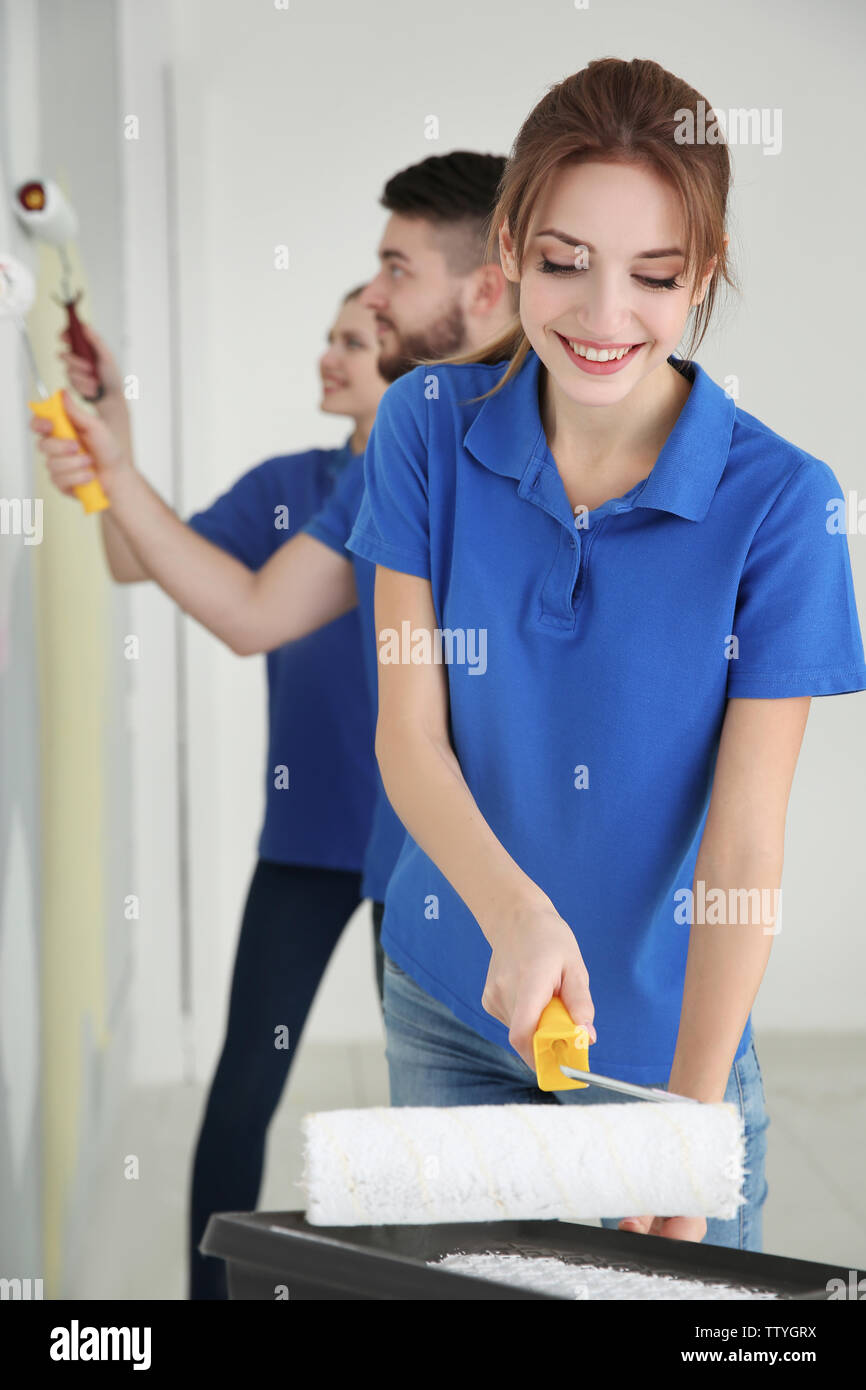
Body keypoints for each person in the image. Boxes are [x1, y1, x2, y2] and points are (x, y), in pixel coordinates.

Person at [344, 57, 866, 1253]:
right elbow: (408, 737)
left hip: (658, 1044)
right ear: (512, 247)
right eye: (563, 262)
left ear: (704, 276)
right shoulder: (426, 429)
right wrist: (517, 918)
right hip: (449, 1001)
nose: (600, 315)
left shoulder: (781, 504)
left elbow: (743, 840)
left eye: (653, 275)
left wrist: (686, 1124)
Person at [40, 287, 386, 1299]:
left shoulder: (438, 490)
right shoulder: (286, 486)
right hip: (309, 842)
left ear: (403, 360)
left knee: (447, 1104)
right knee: (239, 1096)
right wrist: (120, 441)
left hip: (427, 852)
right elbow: (125, 555)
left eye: (354, 342)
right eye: (327, 334)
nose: (327, 355)